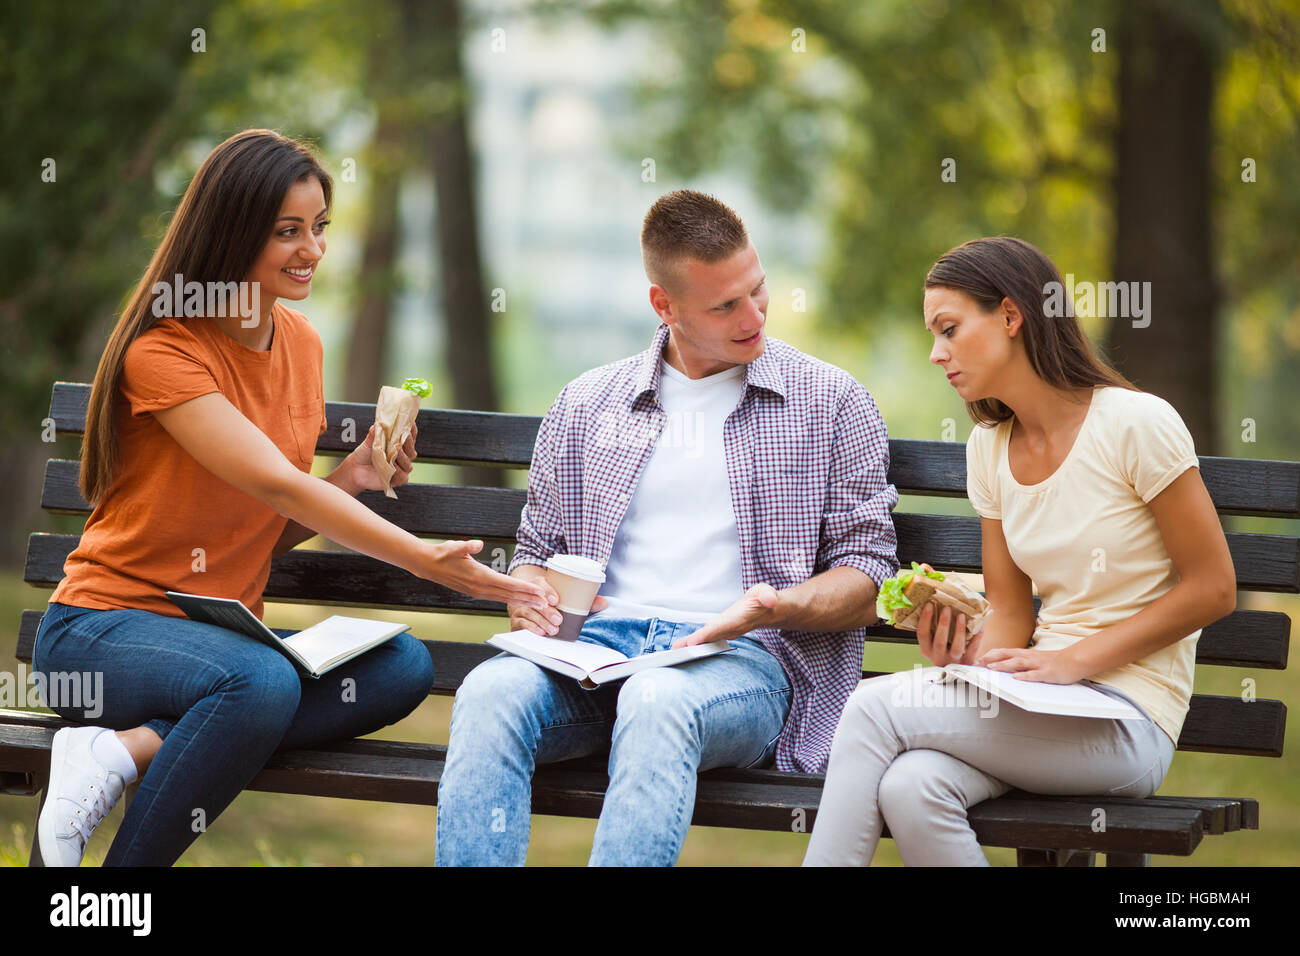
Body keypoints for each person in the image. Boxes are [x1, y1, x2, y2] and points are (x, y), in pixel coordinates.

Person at [32, 129, 551, 867]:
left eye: (319, 228)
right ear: (233, 231)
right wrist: (428, 562)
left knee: (399, 666)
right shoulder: (165, 351)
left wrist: (353, 479)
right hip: (100, 634)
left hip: (222, 645)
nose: (312, 249)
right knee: (257, 682)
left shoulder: (301, 344)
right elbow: (276, 482)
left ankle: (118, 753)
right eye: (287, 232)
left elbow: (262, 526)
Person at [434, 189, 900, 866]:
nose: (754, 317)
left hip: (739, 665)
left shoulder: (831, 402)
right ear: (665, 306)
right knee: (489, 691)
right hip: (592, 657)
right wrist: (527, 593)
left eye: (757, 291)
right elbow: (536, 553)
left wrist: (778, 606)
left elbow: (870, 575)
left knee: (658, 699)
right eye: (725, 305)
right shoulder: (589, 402)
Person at [803, 236, 1237, 866]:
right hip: (1037, 705)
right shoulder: (989, 448)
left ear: (1011, 317)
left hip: (1126, 719)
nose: (935, 353)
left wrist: (1074, 661)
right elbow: (1009, 611)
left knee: (873, 707)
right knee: (913, 786)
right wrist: (962, 651)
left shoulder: (1136, 424)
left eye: (949, 329)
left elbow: (1213, 587)